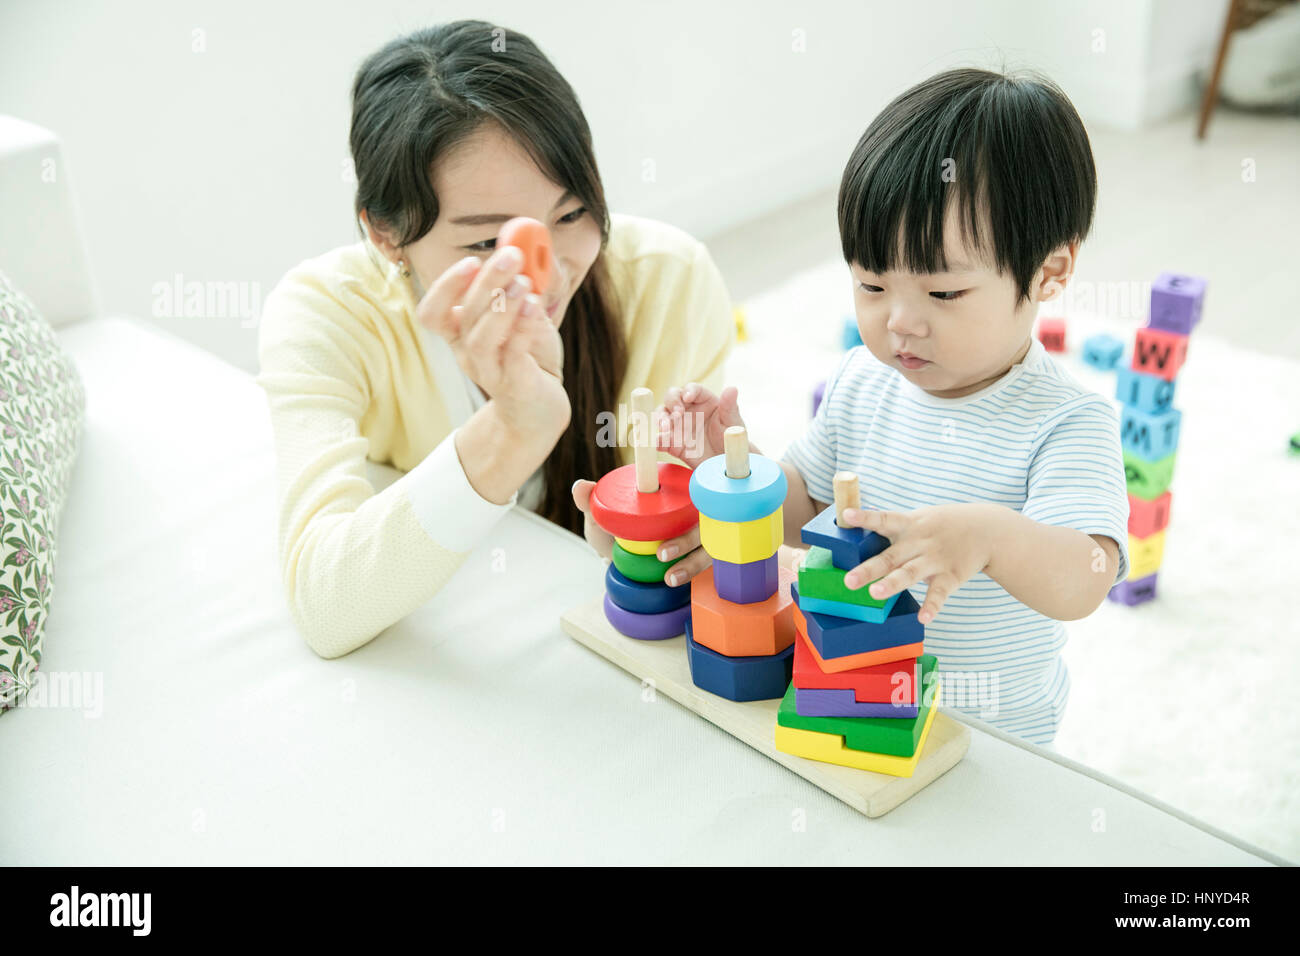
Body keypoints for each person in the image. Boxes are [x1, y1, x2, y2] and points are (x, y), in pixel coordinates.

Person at [643, 68, 1130, 747]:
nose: (899, 321)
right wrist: (737, 468)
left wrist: (988, 538)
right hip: (855, 701)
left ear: (1048, 273)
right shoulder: (862, 381)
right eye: (872, 285)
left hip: (989, 737)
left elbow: (1085, 579)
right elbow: (805, 517)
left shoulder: (1066, 423)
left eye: (943, 293)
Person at [257, 21, 734, 659]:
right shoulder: (328, 313)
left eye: (571, 214)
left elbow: (691, 543)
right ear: (385, 236)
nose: (547, 274)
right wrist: (510, 432)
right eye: (488, 242)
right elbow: (325, 605)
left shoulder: (669, 282)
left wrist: (716, 525)